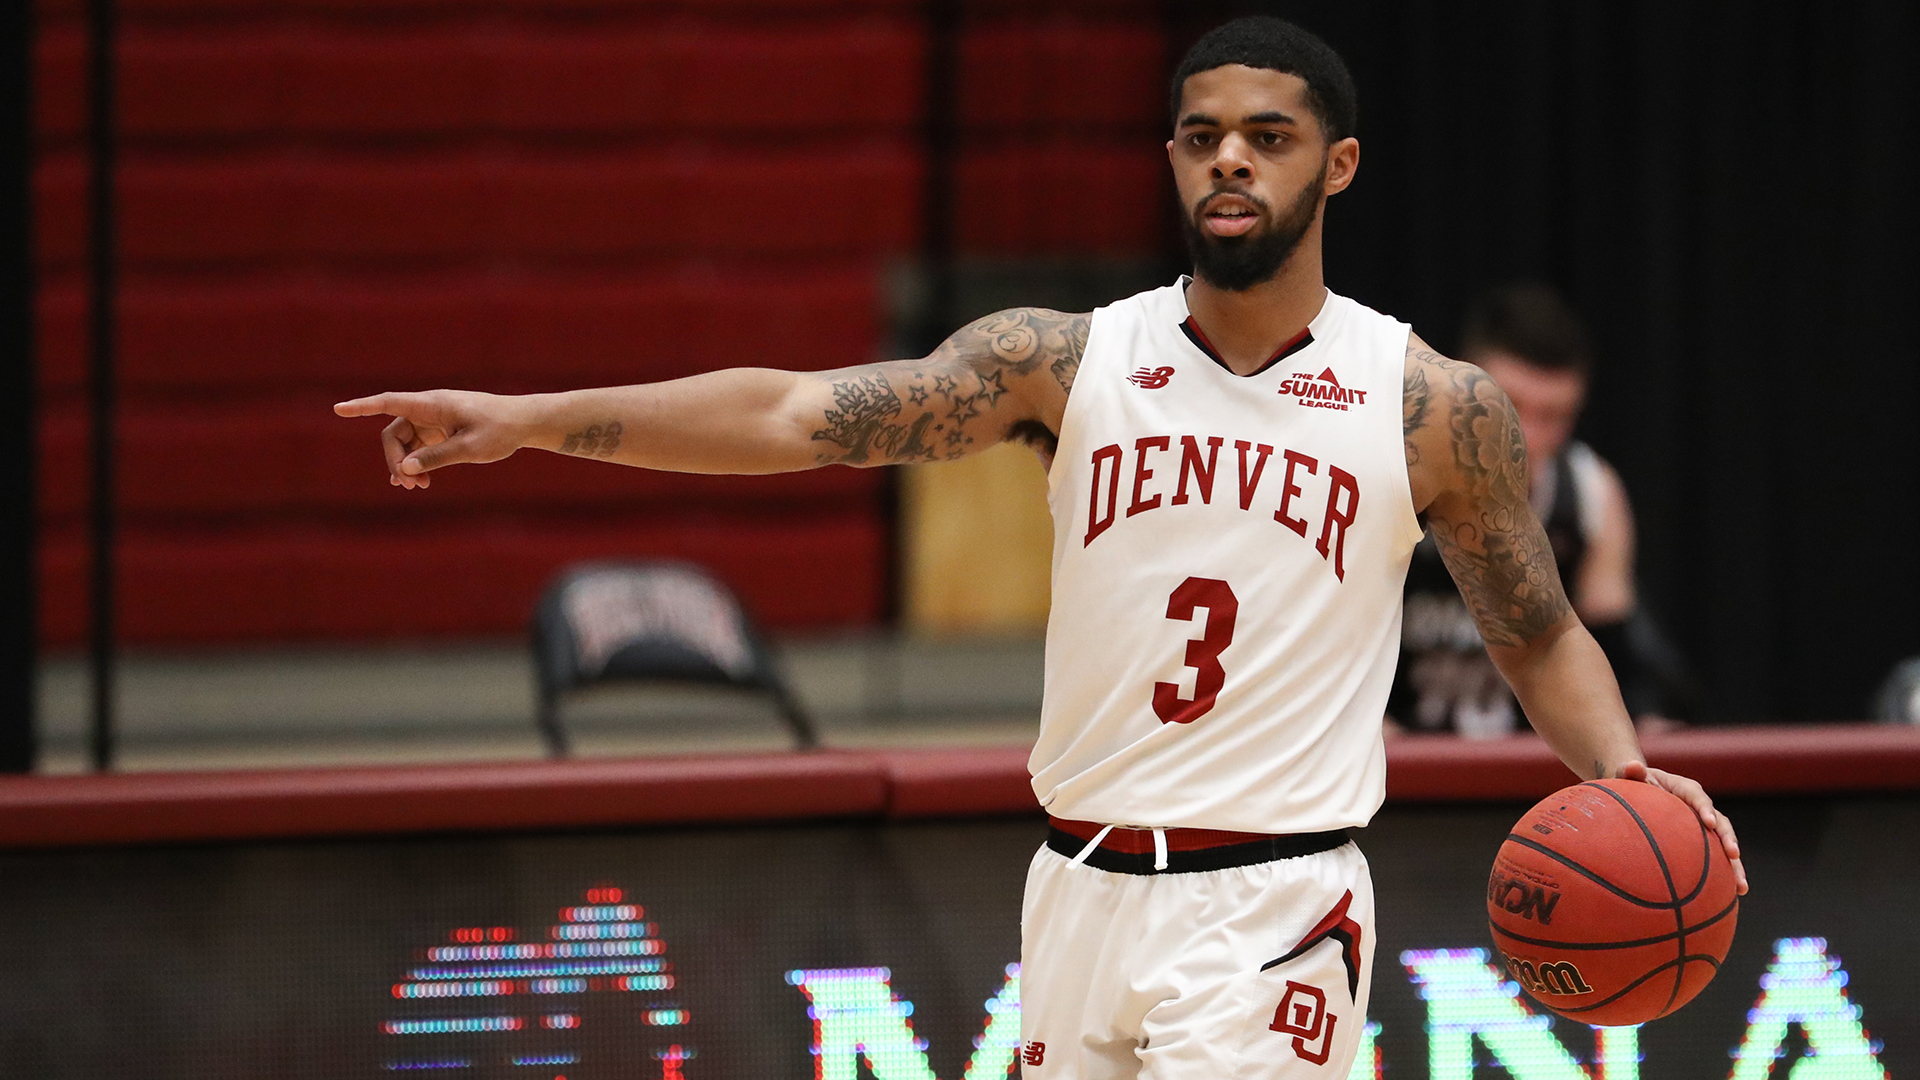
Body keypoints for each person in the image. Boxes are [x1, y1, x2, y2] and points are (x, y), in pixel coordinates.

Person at [337, 18, 1746, 1077]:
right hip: (1074, 890)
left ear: (1341, 162)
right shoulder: (1060, 363)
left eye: (1267, 133)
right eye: (1201, 135)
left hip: (1276, 897)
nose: (1231, 159)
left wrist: (1630, 783)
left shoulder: (1431, 403)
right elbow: (784, 412)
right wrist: (524, 418)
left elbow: (1538, 627)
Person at [1391, 283, 1686, 736]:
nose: (1523, 437)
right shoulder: (1394, 475)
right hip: (1396, 774)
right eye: (1508, 407)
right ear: (1461, 389)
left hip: (1540, 777)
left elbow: (1621, 662)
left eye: (1553, 416)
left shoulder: (1590, 493)